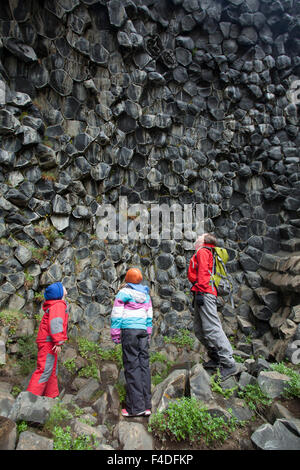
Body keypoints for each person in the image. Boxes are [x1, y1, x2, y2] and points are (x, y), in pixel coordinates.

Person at [191, 233, 237, 380]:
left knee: (211, 328)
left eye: (199, 237)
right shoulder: (207, 251)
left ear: (204, 241)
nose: (197, 238)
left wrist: (200, 290)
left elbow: (203, 272)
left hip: (204, 292)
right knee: (199, 329)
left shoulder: (203, 251)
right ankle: (216, 357)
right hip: (202, 291)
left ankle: (228, 363)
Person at [110, 268, 153, 417]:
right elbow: (149, 316)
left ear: (127, 279)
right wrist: (148, 333)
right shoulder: (146, 295)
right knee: (143, 366)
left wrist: (115, 334)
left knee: (132, 366)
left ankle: (135, 407)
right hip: (142, 331)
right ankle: (147, 405)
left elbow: (116, 314)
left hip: (129, 332)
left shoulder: (123, 293)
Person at [26, 282, 68, 398]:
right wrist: (58, 341)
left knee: (51, 370)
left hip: (48, 341)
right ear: (59, 293)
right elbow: (56, 324)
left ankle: (51, 397)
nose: (65, 287)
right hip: (48, 342)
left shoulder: (57, 304)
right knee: (44, 370)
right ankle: (29, 399)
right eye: (62, 286)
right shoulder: (58, 305)